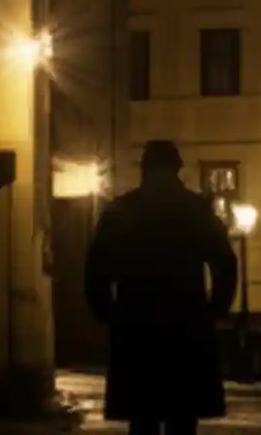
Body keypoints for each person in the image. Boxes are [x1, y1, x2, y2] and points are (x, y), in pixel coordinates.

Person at [85, 140, 239, 435]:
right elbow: (225, 264)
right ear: (177, 171)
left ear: (145, 170)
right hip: (185, 325)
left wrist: (107, 311)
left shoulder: (122, 211)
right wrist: (213, 310)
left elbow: (97, 267)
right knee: (182, 419)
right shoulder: (195, 210)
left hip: (137, 326)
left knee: (142, 419)